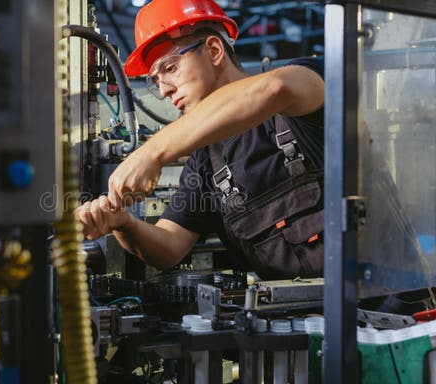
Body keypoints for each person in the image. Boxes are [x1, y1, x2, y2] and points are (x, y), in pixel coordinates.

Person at [77, 0, 325, 280]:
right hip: (295, 319)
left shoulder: (303, 86)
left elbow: (276, 88)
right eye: (155, 80)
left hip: (373, 312)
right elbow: (169, 248)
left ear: (215, 50)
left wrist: (150, 153)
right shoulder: (207, 161)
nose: (163, 90)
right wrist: (122, 223)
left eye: (169, 68)